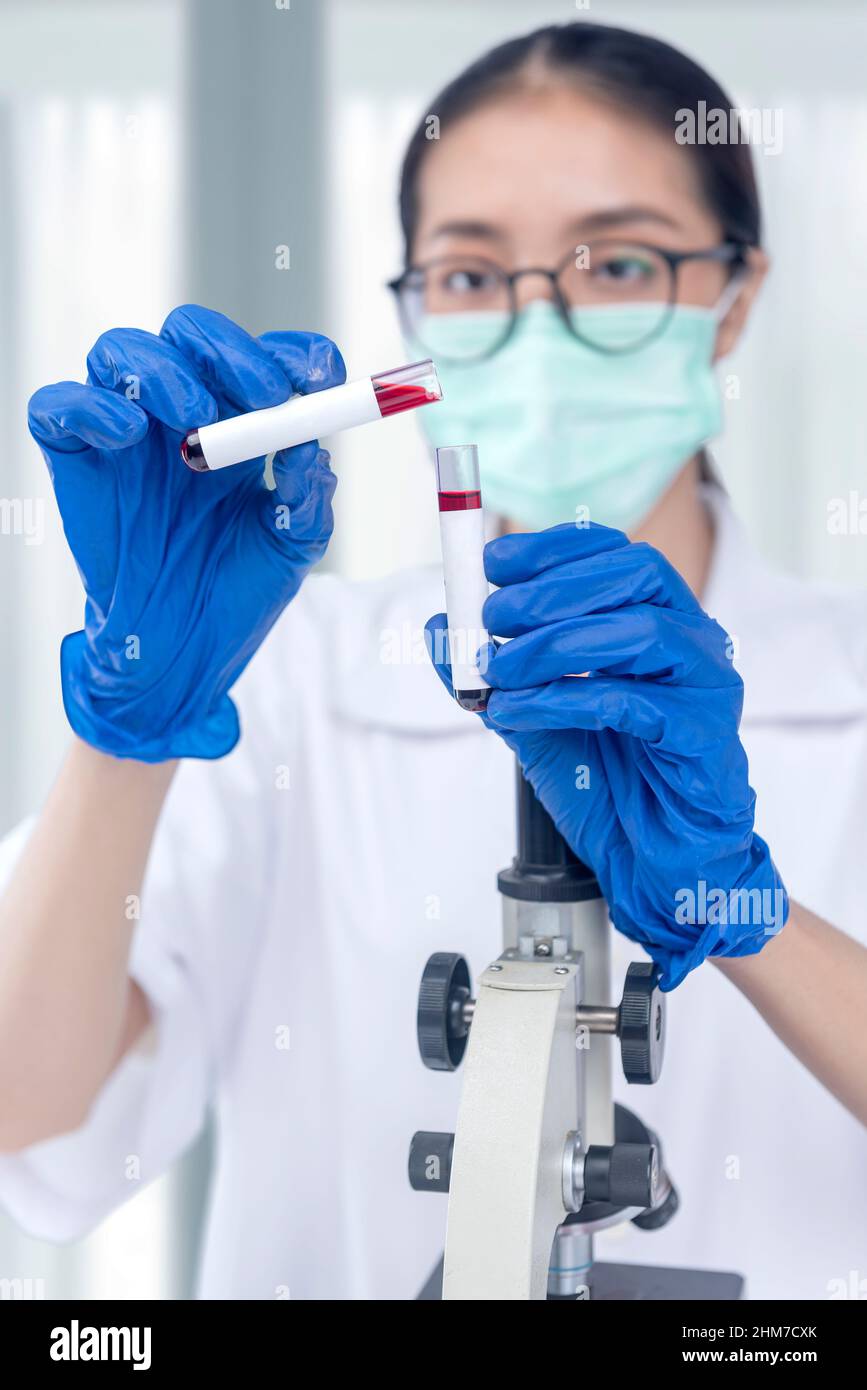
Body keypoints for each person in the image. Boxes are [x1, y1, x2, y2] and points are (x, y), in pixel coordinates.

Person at [0, 21, 865, 1300]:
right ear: (414, 315)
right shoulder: (297, 681)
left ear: (736, 298)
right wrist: (131, 732)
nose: (537, 329)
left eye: (616, 262)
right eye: (470, 276)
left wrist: (748, 908)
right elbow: (31, 1112)